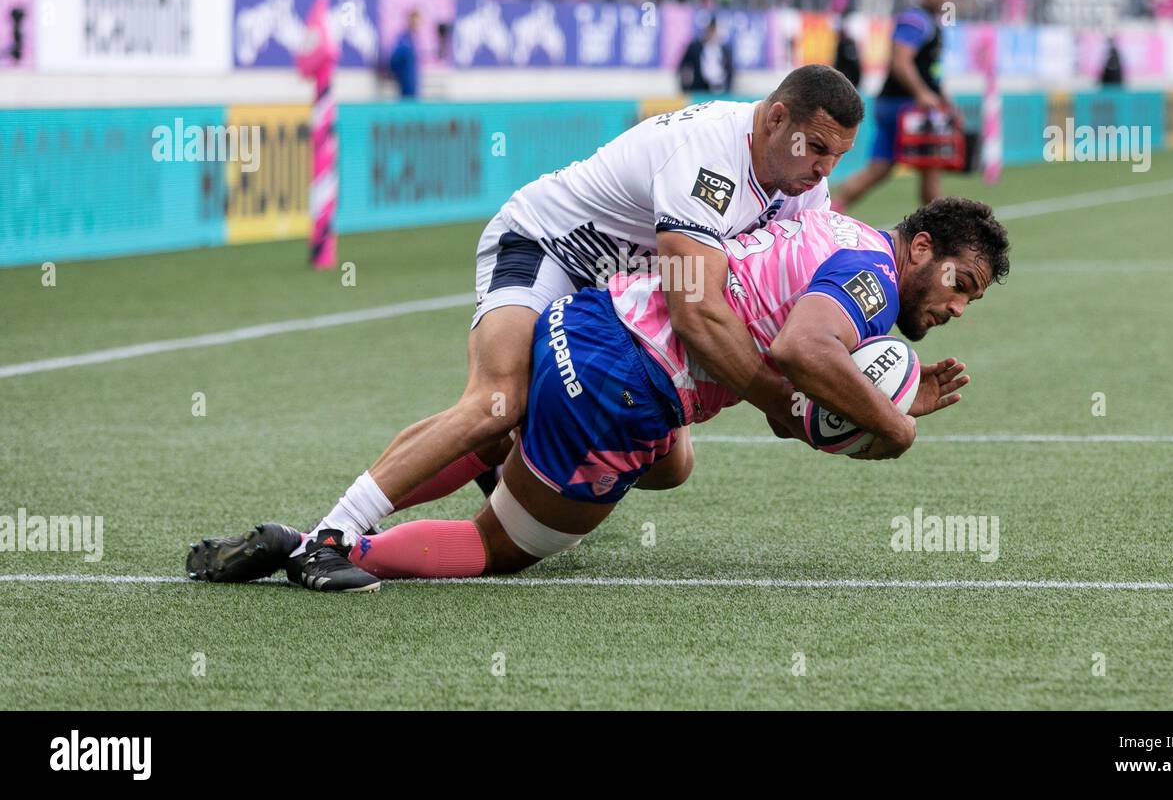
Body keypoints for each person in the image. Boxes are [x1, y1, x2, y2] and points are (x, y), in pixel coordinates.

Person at [186, 65, 863, 591]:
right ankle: (332, 535)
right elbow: (695, 309)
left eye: (836, 157)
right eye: (817, 150)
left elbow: (787, 280)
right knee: (495, 402)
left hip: (612, 295)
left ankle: (476, 473)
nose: (823, 171)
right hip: (544, 247)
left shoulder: (799, 181)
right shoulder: (708, 158)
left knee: (672, 466)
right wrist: (781, 399)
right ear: (776, 119)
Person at [192, 199, 1009, 590]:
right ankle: (323, 545)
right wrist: (895, 429)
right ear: (922, 248)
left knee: (670, 463)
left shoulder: (839, 229)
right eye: (958, 283)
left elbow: (793, 404)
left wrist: (885, 404)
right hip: (620, 391)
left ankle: (454, 475)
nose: (958, 308)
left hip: (586, 320)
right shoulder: (869, 281)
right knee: (495, 549)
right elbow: (801, 353)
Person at [832, 0, 957, 212]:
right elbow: (900, 60)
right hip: (906, 106)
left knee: (880, 168)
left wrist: (941, 96)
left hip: (896, 103)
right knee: (930, 169)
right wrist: (922, 93)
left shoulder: (930, 23)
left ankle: (830, 211)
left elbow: (929, 70)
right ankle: (941, 234)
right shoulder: (916, 20)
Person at [677, 18, 734, 95]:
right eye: (711, 30)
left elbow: (729, 70)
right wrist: (685, 88)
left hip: (720, 89)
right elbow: (684, 67)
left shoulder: (725, 49)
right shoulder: (695, 47)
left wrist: (728, 89)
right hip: (699, 89)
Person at [388, 9, 421, 99]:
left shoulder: (413, 38)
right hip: (406, 81)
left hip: (413, 81)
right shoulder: (404, 38)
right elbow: (394, 60)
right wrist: (398, 74)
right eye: (415, 22)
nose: (417, 25)